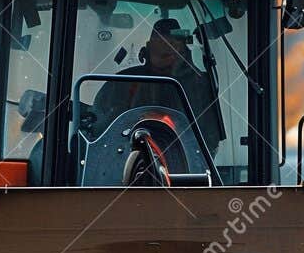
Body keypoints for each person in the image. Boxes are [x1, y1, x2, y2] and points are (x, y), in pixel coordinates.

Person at [90, 19, 222, 163]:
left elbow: (210, 138)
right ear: (149, 45)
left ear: (184, 47)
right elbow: (99, 132)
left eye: (173, 42)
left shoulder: (200, 84)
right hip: (122, 170)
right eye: (160, 41)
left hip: (189, 171)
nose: (167, 47)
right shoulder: (122, 83)